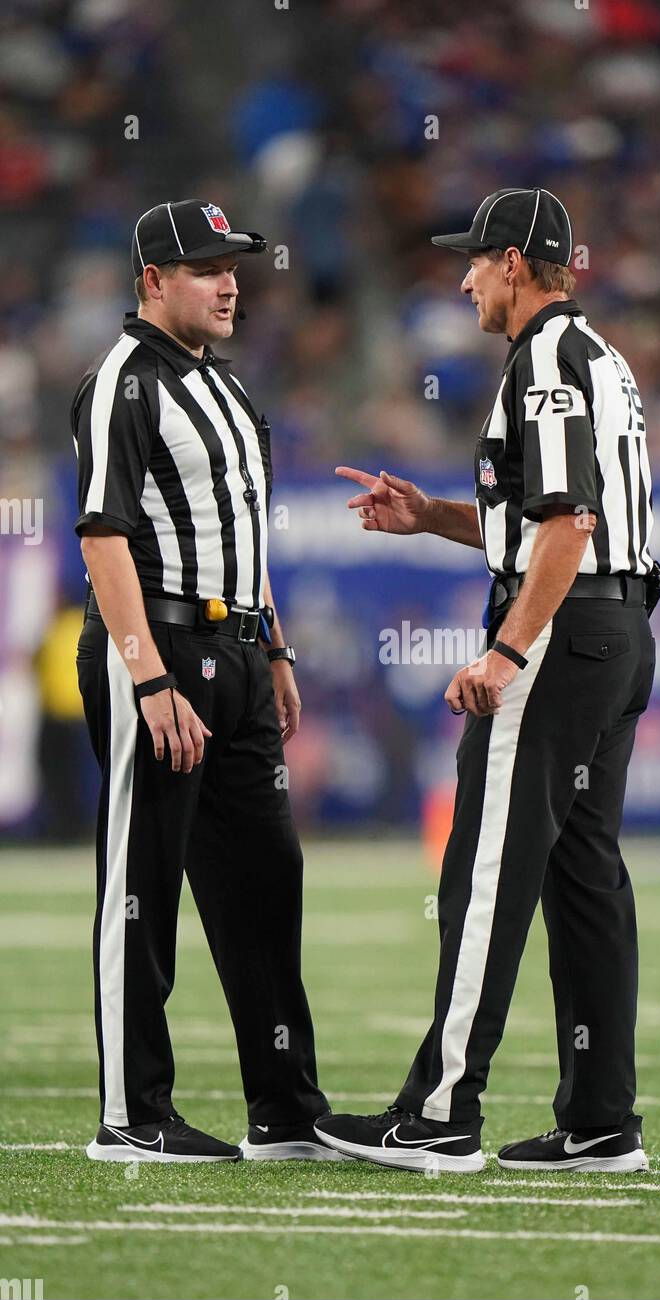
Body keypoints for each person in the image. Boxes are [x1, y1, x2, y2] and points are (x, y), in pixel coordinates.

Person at [318, 188, 658, 1174]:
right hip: (615, 628)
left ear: (515, 262)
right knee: (581, 874)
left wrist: (506, 650)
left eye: (472, 259)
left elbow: (565, 526)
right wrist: (431, 515)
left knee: (486, 867)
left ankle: (438, 1113)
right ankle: (600, 1120)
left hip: (561, 633)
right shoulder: (599, 357)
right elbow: (554, 517)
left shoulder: (546, 359)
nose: (462, 277)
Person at [73, 199, 342, 1163]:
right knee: (140, 891)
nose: (229, 282)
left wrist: (272, 646)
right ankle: (130, 1114)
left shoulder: (226, 388)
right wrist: (148, 679)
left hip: (234, 654)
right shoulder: (121, 385)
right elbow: (102, 536)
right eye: (204, 268)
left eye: (233, 265)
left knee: (266, 883)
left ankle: (284, 1109)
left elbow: (246, 536)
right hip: (159, 647)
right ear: (152, 280)